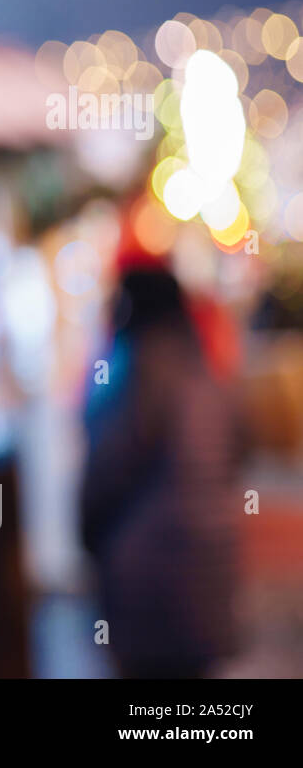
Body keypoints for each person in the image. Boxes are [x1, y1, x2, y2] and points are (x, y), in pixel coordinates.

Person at [81, 264, 241, 678]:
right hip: (208, 568)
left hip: (146, 578)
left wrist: (85, 534)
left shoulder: (135, 369)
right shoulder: (204, 367)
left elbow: (105, 472)